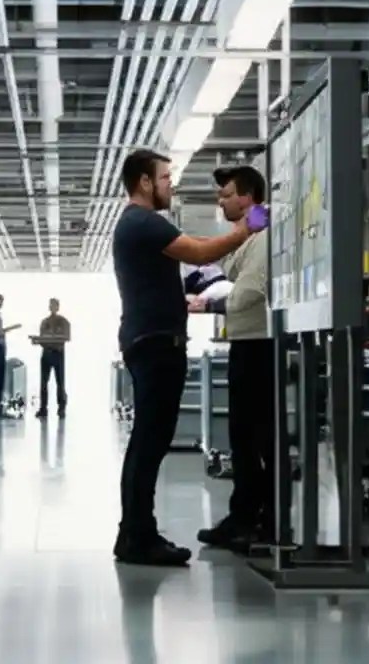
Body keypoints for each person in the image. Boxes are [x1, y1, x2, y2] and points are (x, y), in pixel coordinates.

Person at [111, 149, 266, 567]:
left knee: (148, 442)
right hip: (155, 343)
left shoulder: (138, 223)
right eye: (165, 178)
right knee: (149, 442)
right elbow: (199, 252)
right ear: (145, 182)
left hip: (151, 340)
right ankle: (137, 537)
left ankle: (136, 533)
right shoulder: (143, 221)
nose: (171, 185)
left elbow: (198, 258)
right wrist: (248, 227)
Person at [192, 165, 277, 553]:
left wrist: (208, 305)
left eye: (227, 195)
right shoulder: (253, 235)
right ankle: (248, 516)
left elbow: (248, 292)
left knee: (253, 438)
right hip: (248, 342)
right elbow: (228, 269)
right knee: (247, 438)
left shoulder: (264, 238)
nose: (220, 200)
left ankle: (255, 520)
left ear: (247, 197)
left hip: (259, 346)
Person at [33, 298, 71, 418]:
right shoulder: (44, 322)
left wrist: (53, 339)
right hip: (46, 353)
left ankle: (61, 408)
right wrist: (42, 341)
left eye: (55, 305)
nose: (53, 308)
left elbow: (67, 337)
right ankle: (43, 408)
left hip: (58, 353)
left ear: (58, 307)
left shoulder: (63, 322)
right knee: (44, 382)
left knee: (60, 382)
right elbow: (41, 338)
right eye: (51, 305)